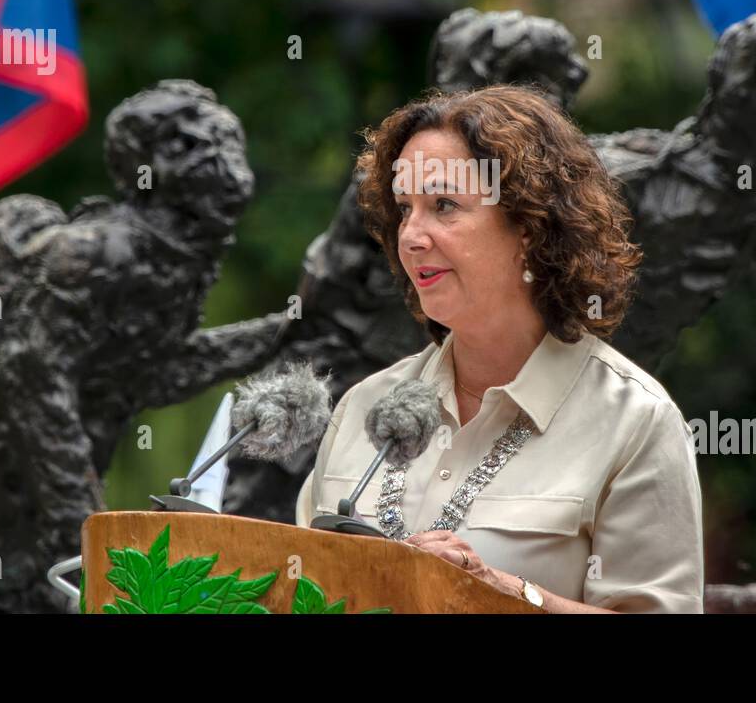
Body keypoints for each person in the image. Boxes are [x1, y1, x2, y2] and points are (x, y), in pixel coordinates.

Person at [295, 85, 704, 613]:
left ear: (530, 228)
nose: (411, 235)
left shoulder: (634, 422)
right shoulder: (359, 408)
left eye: (444, 205)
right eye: (404, 208)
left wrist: (502, 591)